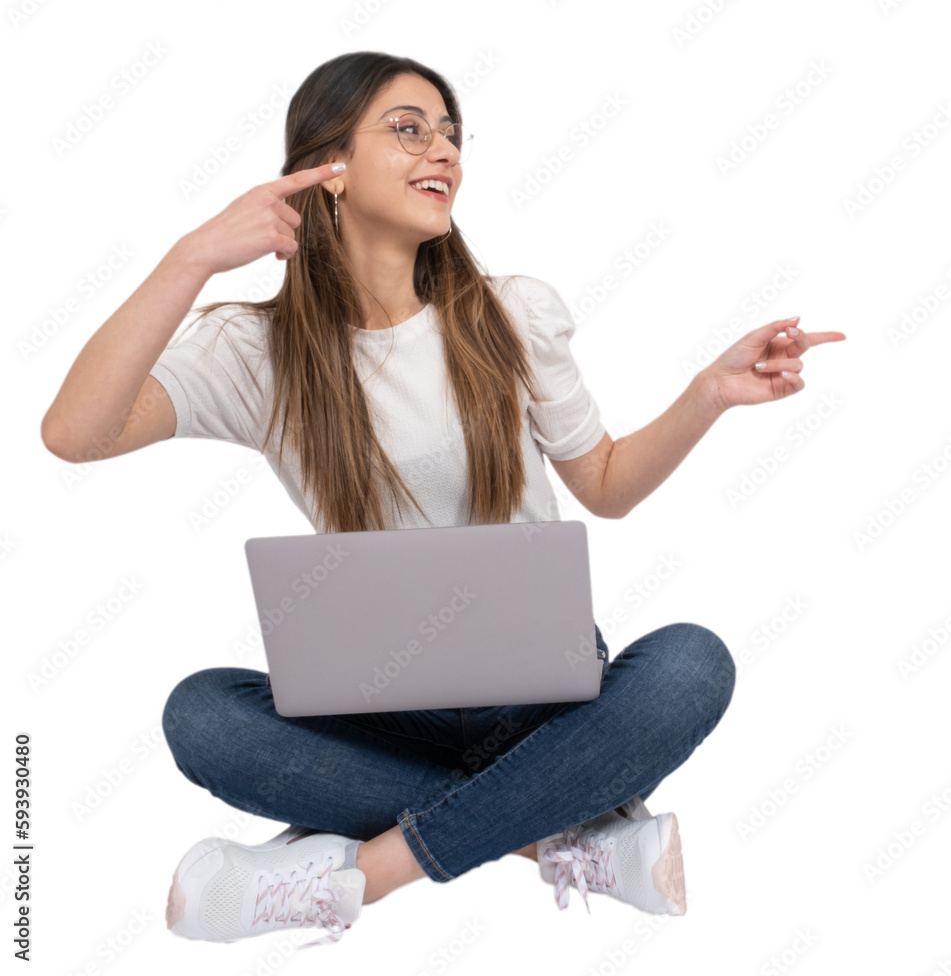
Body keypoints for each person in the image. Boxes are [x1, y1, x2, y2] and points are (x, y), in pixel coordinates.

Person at [41, 51, 846, 950]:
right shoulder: (253, 350)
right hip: (381, 706)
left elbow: (606, 486)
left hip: (543, 697)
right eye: (410, 128)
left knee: (691, 665)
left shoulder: (511, 314)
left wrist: (707, 393)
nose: (445, 153)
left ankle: (357, 878)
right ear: (328, 169)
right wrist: (192, 257)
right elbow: (75, 434)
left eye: (452, 134)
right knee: (200, 715)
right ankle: (562, 840)